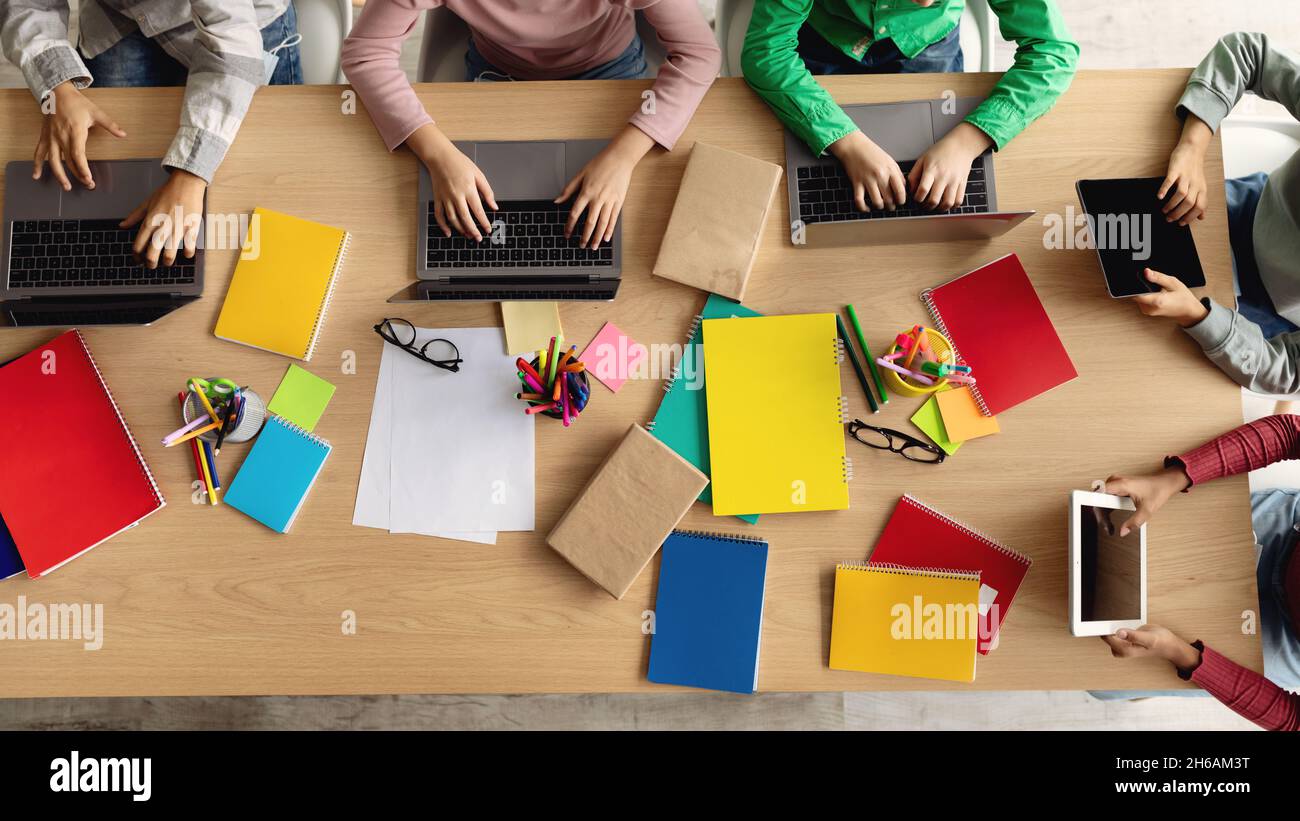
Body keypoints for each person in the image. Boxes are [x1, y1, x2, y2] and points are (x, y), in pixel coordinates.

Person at [340, 0, 721, 249]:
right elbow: (366, 53)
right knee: (484, 233)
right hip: (499, 76)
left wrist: (624, 156)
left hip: (610, 73)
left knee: (628, 231)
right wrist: (438, 155)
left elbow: (699, 54)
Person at [0, 1, 301, 269]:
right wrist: (58, 87)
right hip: (122, 19)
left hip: (242, 22)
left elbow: (231, 38)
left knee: (265, 186)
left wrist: (190, 174)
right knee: (114, 178)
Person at [741, 0, 1077, 214]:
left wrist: (967, 142)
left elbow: (1053, 53)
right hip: (825, 39)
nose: (927, 1)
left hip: (929, 45)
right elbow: (766, 53)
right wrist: (847, 144)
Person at [1101, 414, 1300, 731]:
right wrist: (1174, 479)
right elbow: (1291, 433)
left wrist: (1181, 654)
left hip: (1282, 641)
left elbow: (1292, 719)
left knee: (1104, 685)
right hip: (1284, 532)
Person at [1135, 33, 1300, 392]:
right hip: (1239, 210)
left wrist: (1196, 315)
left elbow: (1289, 372)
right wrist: (1192, 147)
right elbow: (1249, 53)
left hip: (1249, 315)